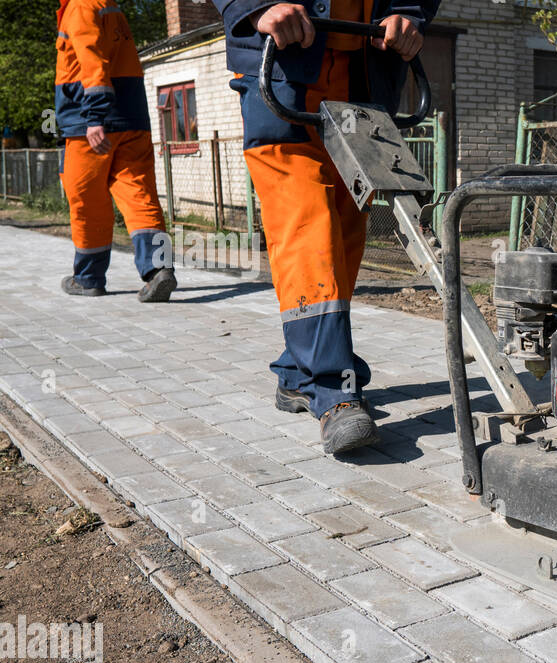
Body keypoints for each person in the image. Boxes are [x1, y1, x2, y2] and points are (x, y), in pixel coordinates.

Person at [213, 0, 437, 454]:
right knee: (306, 225)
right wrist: (256, 5)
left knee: (345, 235)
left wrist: (410, 12)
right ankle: (335, 392)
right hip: (283, 67)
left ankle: (297, 373)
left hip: (366, 76)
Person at [55, 0, 176, 300]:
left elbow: (92, 60)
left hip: (90, 125)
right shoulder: (112, 7)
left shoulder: (81, 7)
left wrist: (94, 117)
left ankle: (87, 278)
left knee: (87, 201)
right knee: (139, 196)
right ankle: (159, 270)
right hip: (132, 119)